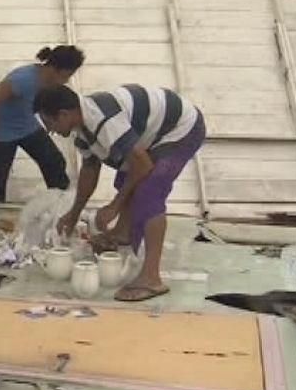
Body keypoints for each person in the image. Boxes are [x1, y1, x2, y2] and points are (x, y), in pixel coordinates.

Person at [33, 84, 207, 302]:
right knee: (125, 176)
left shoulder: (103, 120)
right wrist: (73, 213)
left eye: (50, 123)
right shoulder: (82, 131)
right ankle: (122, 233)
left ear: (64, 114)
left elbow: (142, 165)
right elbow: (90, 170)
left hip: (182, 128)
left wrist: (114, 205)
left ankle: (152, 278)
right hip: (152, 135)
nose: (51, 131)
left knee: (149, 192)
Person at [0, 45, 85, 205]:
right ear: (54, 69)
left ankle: (62, 204)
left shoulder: (51, 83)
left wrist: (51, 124)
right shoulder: (23, 79)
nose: (66, 81)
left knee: (54, 161)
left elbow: (40, 104)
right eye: (65, 76)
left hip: (27, 126)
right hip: (1, 132)